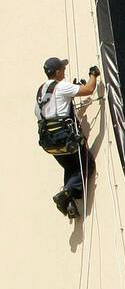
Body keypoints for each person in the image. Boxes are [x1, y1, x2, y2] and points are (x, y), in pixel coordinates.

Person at [35, 56, 98, 218]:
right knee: (86, 164)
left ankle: (69, 203)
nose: (64, 70)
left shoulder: (41, 91)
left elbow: (43, 113)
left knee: (70, 167)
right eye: (62, 69)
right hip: (64, 139)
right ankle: (67, 192)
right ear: (57, 72)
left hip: (49, 143)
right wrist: (93, 75)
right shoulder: (62, 87)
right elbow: (89, 90)